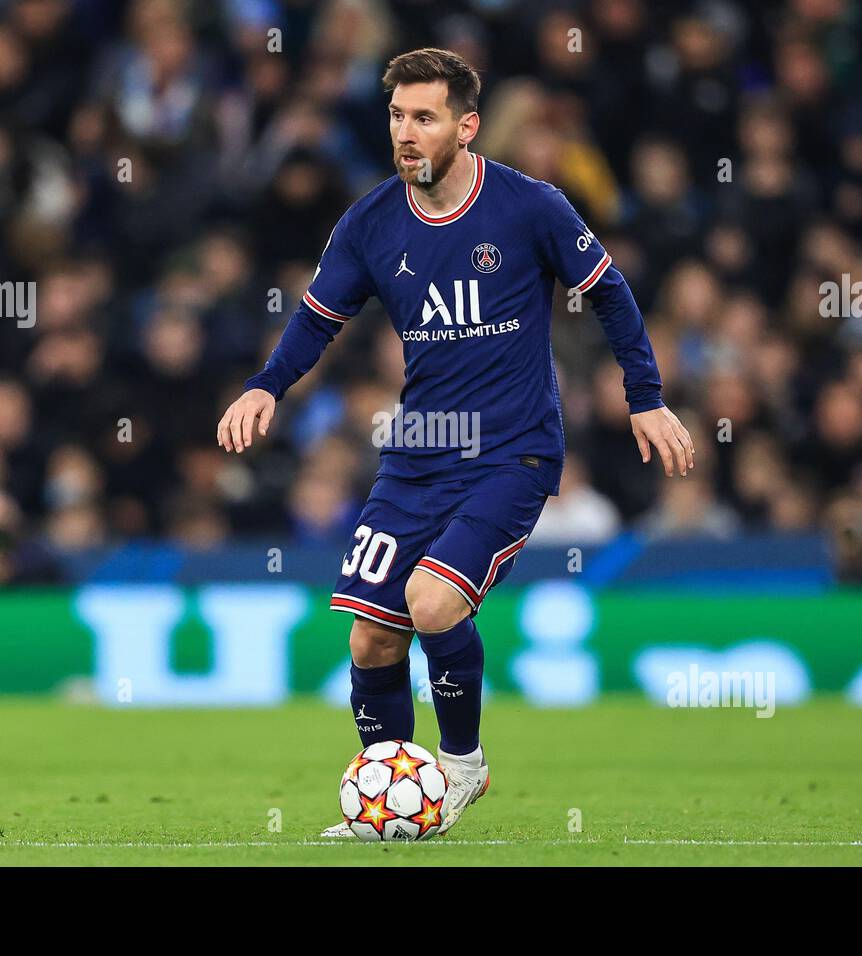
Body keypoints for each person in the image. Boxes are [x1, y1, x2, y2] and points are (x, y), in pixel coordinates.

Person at [217, 48, 694, 838]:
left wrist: (645, 397)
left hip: (514, 452)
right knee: (371, 636)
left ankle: (463, 764)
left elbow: (607, 290)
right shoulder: (370, 223)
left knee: (431, 600)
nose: (406, 133)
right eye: (398, 116)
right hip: (418, 454)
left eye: (425, 117)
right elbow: (315, 321)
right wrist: (267, 384)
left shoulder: (530, 206)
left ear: (466, 127)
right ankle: (391, 803)